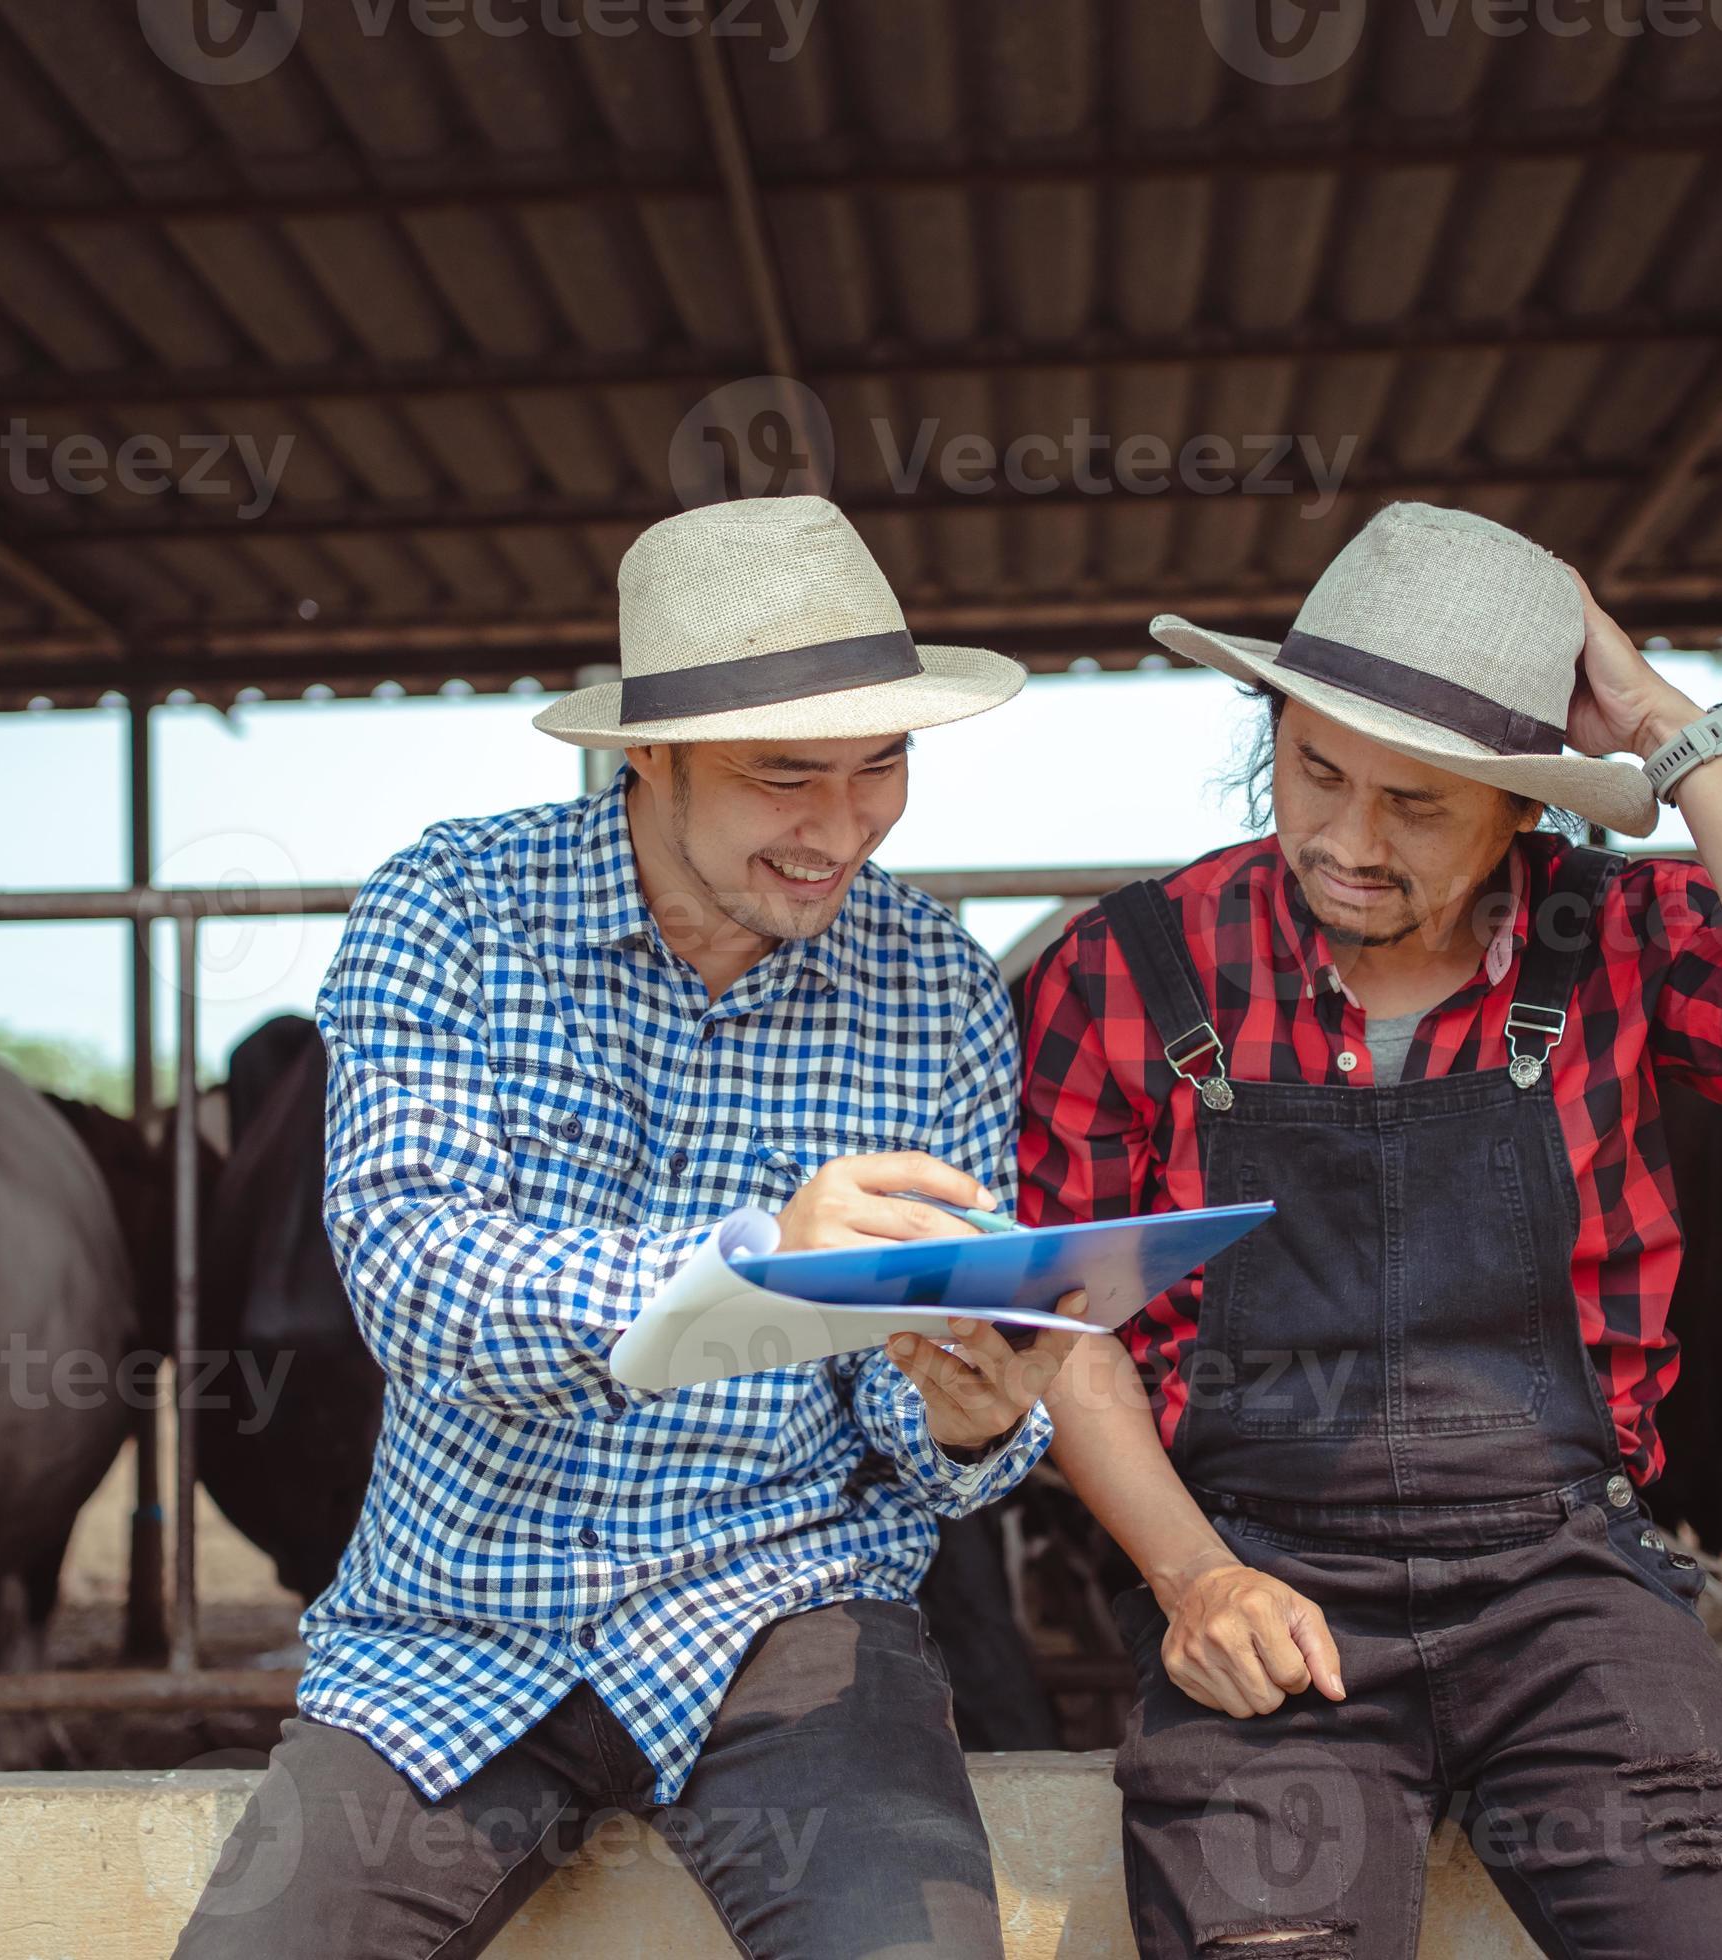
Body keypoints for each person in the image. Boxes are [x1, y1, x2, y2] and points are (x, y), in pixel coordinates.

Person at [1019, 502, 1722, 1959]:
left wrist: (1666, 726)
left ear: (1528, 806)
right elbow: (1062, 1324)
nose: (1350, 844)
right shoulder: (1130, 967)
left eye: (1422, 803)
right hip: (1263, 1578)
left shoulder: (1617, 933)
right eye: (1316, 773)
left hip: (1569, 1585)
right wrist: (1194, 1582)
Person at [175, 495, 1086, 1960]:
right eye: (786, 775)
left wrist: (971, 1422)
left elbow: (907, 1426)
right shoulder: (452, 909)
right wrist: (756, 1258)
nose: (843, 828)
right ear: (646, 757)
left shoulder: (937, 990)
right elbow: (416, 1280)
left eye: (881, 768)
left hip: (786, 1613)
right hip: (456, 1618)